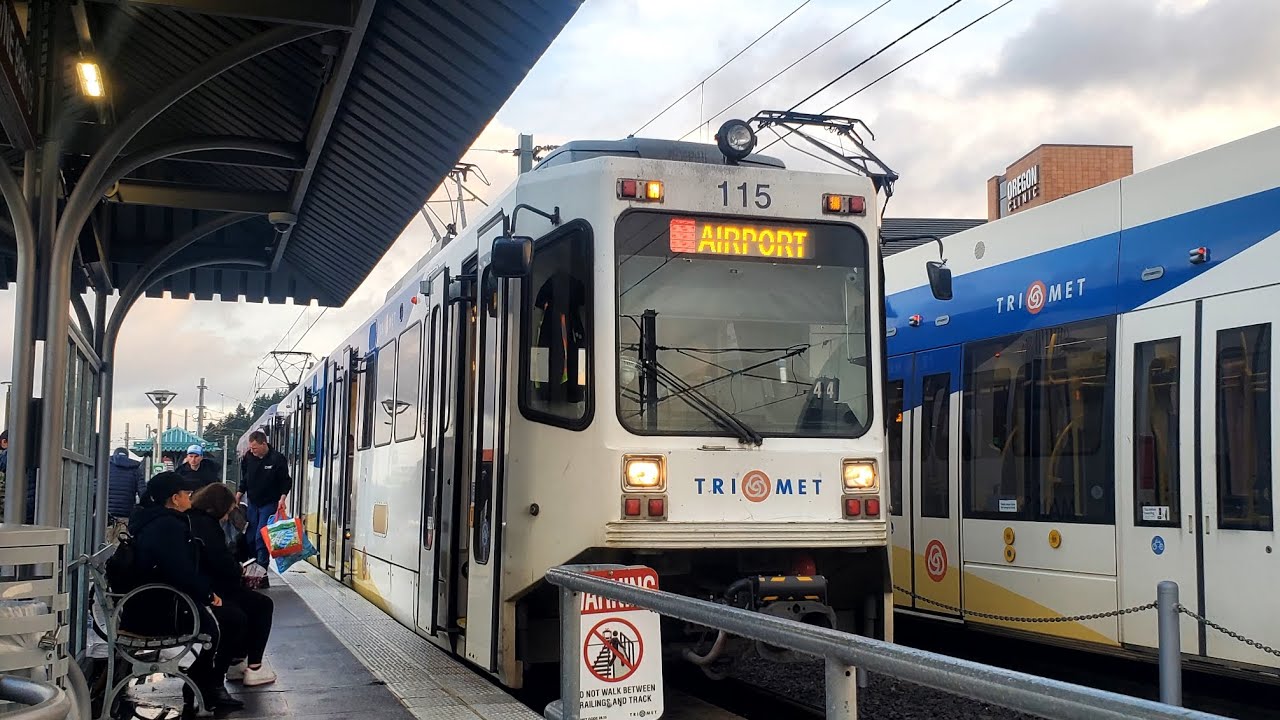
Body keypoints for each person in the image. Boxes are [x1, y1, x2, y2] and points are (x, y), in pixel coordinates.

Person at [126, 472, 245, 715]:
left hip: (146, 604)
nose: (190, 499)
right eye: (186, 494)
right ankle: (203, 685)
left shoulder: (153, 521)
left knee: (228, 616)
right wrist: (208, 595)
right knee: (227, 621)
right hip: (160, 611)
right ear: (175, 498)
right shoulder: (167, 526)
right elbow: (181, 571)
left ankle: (206, 685)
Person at [189, 483, 276, 687]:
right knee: (261, 605)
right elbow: (221, 562)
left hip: (205, 588)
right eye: (227, 512)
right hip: (211, 592)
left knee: (248, 606)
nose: (228, 517)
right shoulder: (209, 527)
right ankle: (254, 667)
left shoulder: (193, 520)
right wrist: (239, 569)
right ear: (218, 507)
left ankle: (236, 663)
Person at [237, 431, 291, 569]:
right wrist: (238, 495)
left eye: (254, 448)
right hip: (253, 503)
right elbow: (245, 479)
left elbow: (285, 481)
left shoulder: (277, 459)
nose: (252, 451)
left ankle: (261, 568)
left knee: (261, 536)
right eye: (251, 448)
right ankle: (252, 564)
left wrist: (282, 498)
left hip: (269, 502)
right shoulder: (248, 458)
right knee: (250, 536)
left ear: (264, 444)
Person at [107, 447, 147, 521]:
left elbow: (95, 488)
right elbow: (143, 492)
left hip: (106, 513)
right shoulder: (135, 469)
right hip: (127, 513)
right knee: (123, 528)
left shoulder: (106, 467)